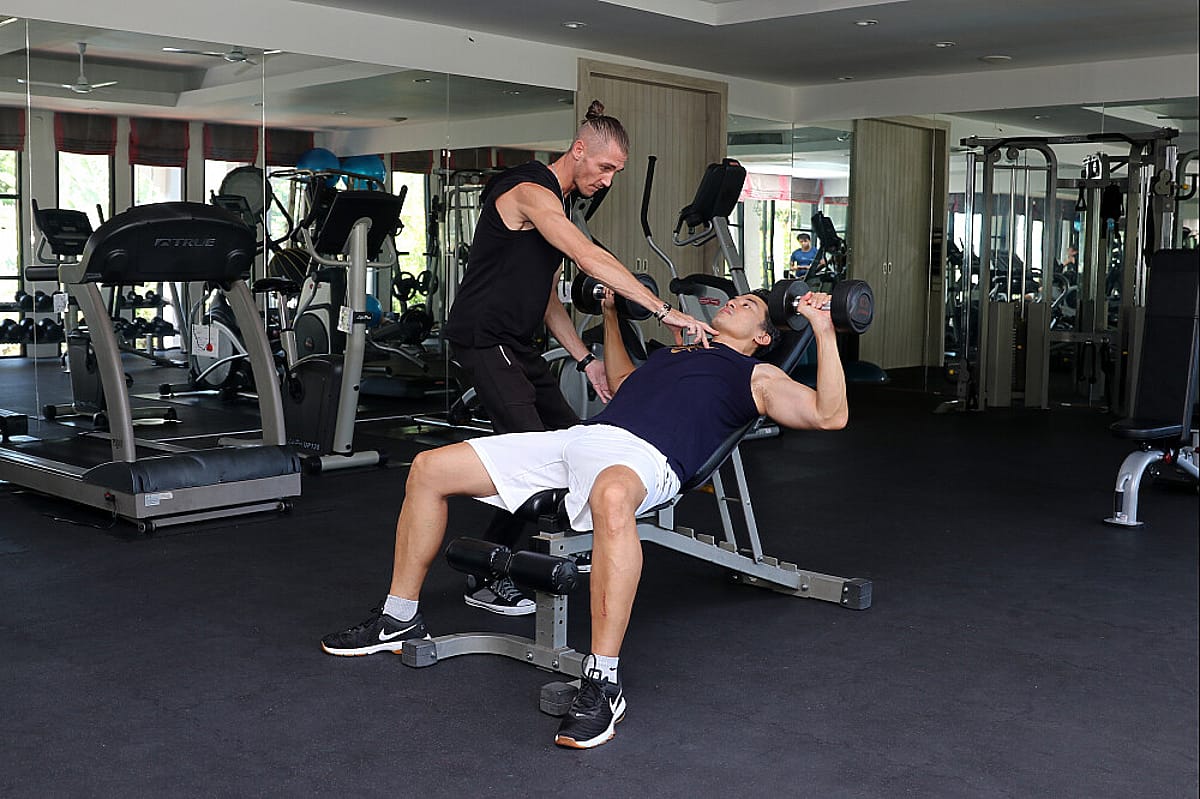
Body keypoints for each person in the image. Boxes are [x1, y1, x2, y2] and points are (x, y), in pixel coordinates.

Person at [320, 286, 849, 749]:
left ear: (763, 336)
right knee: (429, 468)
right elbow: (620, 382)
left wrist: (822, 327)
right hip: (581, 438)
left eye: (748, 304)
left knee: (613, 496)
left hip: (648, 458)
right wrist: (611, 311)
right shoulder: (674, 352)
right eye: (735, 298)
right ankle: (398, 617)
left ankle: (603, 682)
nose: (733, 301)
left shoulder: (759, 375)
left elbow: (831, 415)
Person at [443, 100, 715, 616]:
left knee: (577, 441)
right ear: (579, 149)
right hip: (483, 339)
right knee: (534, 458)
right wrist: (663, 311)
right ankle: (487, 574)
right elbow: (588, 257)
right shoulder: (529, 190)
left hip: (517, 344)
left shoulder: (561, 206)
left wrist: (587, 360)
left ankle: (556, 544)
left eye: (616, 173)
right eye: (605, 167)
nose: (607, 180)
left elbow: (546, 298)